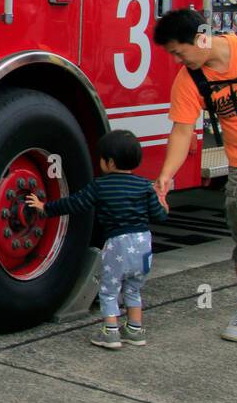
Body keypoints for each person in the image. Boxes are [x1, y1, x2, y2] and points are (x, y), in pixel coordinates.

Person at [151, 8, 237, 342]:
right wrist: (167, 174)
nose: (178, 61)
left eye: (179, 52)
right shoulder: (190, 80)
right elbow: (182, 132)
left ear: (200, 38)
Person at [26, 130, 167, 349]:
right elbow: (159, 215)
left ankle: (110, 333)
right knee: (133, 289)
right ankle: (135, 330)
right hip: (143, 244)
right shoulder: (144, 186)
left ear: (109, 162)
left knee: (109, 291)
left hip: (117, 245)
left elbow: (75, 203)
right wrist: (163, 202)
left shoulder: (100, 186)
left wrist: (45, 207)